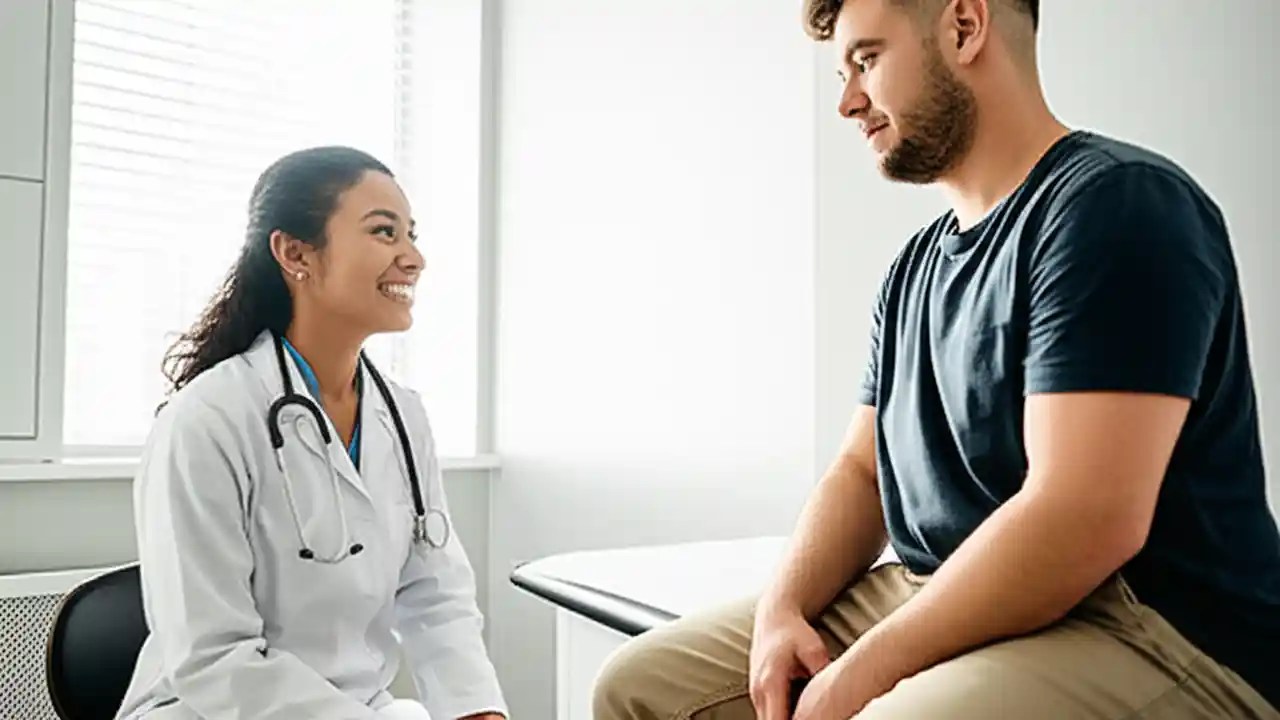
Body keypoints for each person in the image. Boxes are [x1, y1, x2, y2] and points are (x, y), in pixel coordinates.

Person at [592, 0, 1280, 717]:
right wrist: (781, 609)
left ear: (963, 25)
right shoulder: (913, 269)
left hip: (1146, 627)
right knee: (640, 685)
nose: (847, 101)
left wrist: (863, 673)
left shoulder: (1120, 205)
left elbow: (1084, 517)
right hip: (939, 586)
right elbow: (862, 472)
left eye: (867, 60)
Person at [115, 146, 507, 720]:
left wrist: (479, 713)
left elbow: (437, 598)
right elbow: (212, 658)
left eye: (411, 235)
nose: (414, 258)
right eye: (384, 232)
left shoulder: (402, 416)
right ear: (295, 253)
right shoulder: (208, 419)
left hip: (360, 706)